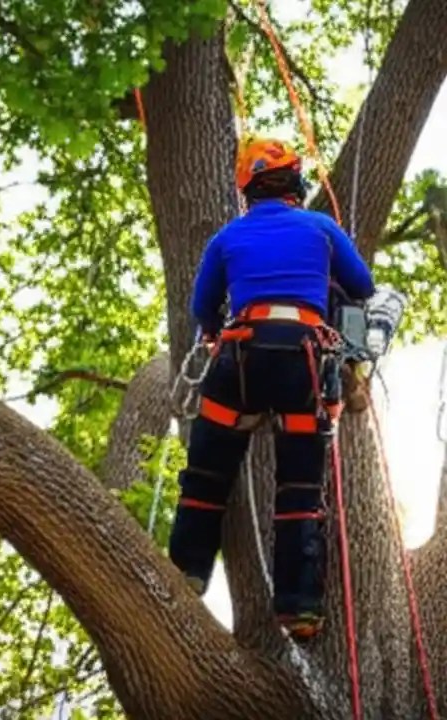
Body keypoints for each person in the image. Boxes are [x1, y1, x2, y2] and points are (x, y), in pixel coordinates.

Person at [167, 137, 375, 640]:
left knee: (206, 475)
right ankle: (299, 606)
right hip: (304, 364)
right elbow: (363, 285)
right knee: (301, 489)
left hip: (240, 360)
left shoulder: (227, 236)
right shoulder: (321, 227)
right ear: (294, 181)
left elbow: (202, 310)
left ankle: (184, 574)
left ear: (247, 189)